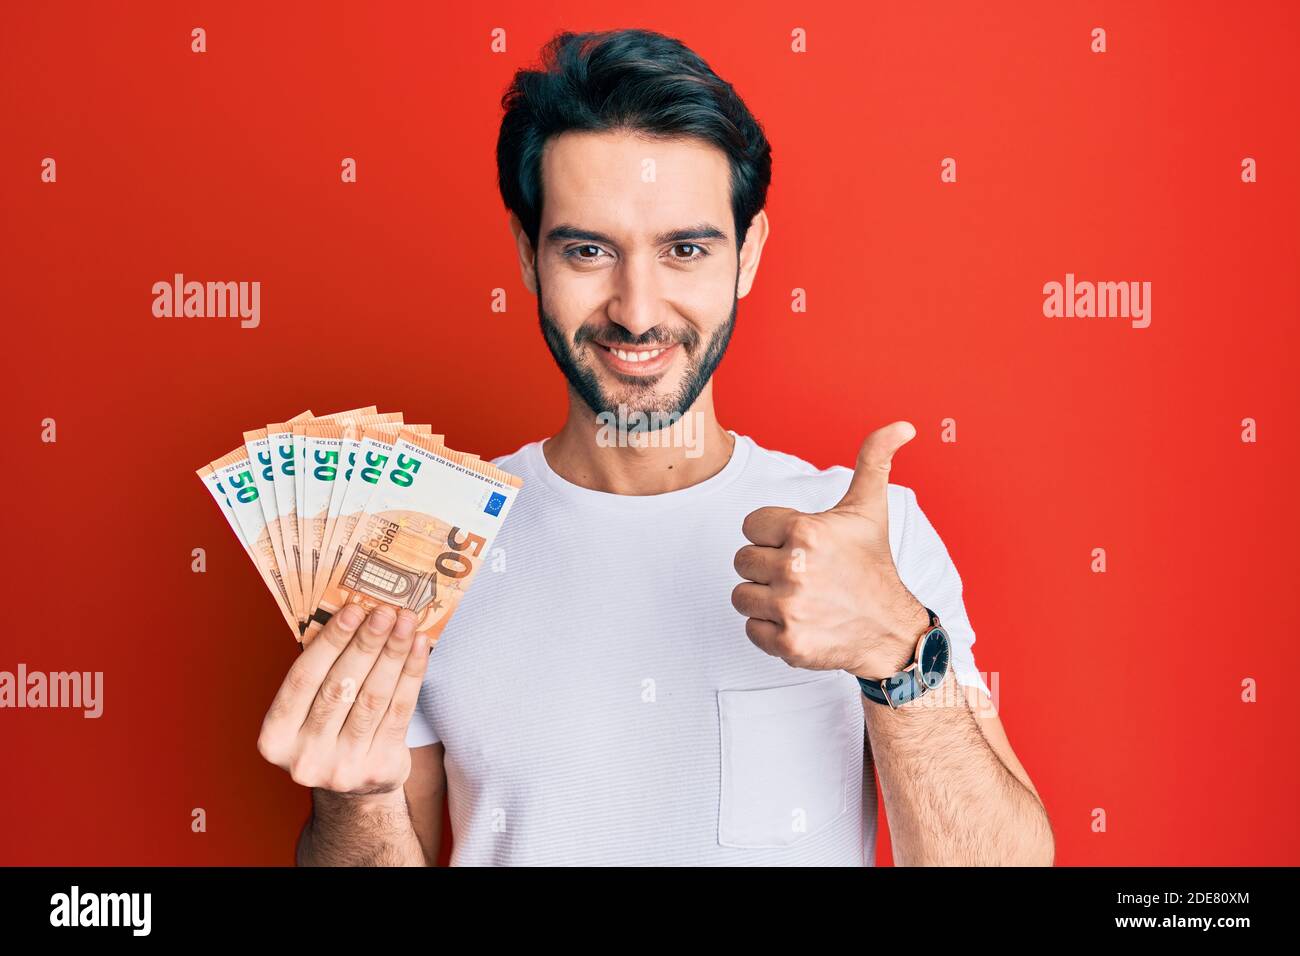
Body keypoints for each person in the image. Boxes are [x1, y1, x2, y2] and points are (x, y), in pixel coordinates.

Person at [257, 27, 1054, 866]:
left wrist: (897, 649)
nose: (637, 310)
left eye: (685, 249)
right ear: (529, 258)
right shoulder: (424, 545)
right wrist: (354, 797)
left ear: (748, 255)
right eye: (589, 250)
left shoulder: (868, 536)